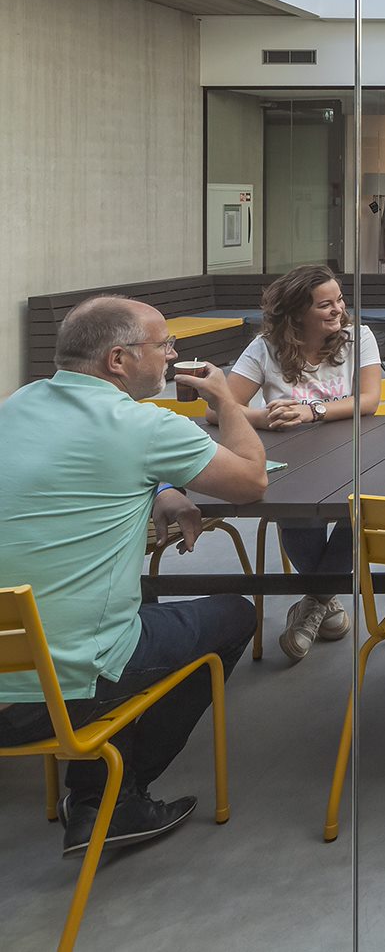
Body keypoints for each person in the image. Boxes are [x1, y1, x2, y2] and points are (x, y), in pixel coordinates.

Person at [0, 297, 267, 855]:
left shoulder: (18, 404)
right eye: (163, 345)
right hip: (57, 694)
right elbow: (250, 480)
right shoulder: (141, 423)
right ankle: (111, 801)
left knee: (133, 602)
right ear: (118, 359)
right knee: (233, 613)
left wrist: (162, 488)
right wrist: (223, 398)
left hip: (10, 666)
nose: (172, 356)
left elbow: (73, 475)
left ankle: (92, 788)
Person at [226, 265, 382, 661]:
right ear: (296, 313)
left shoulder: (358, 338)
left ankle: (312, 604)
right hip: (291, 461)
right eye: (325, 305)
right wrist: (266, 417)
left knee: (359, 511)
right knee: (297, 512)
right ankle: (324, 603)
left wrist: (310, 412)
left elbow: (368, 401)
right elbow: (223, 407)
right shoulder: (265, 347)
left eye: (340, 300)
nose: (338, 311)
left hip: (353, 454)